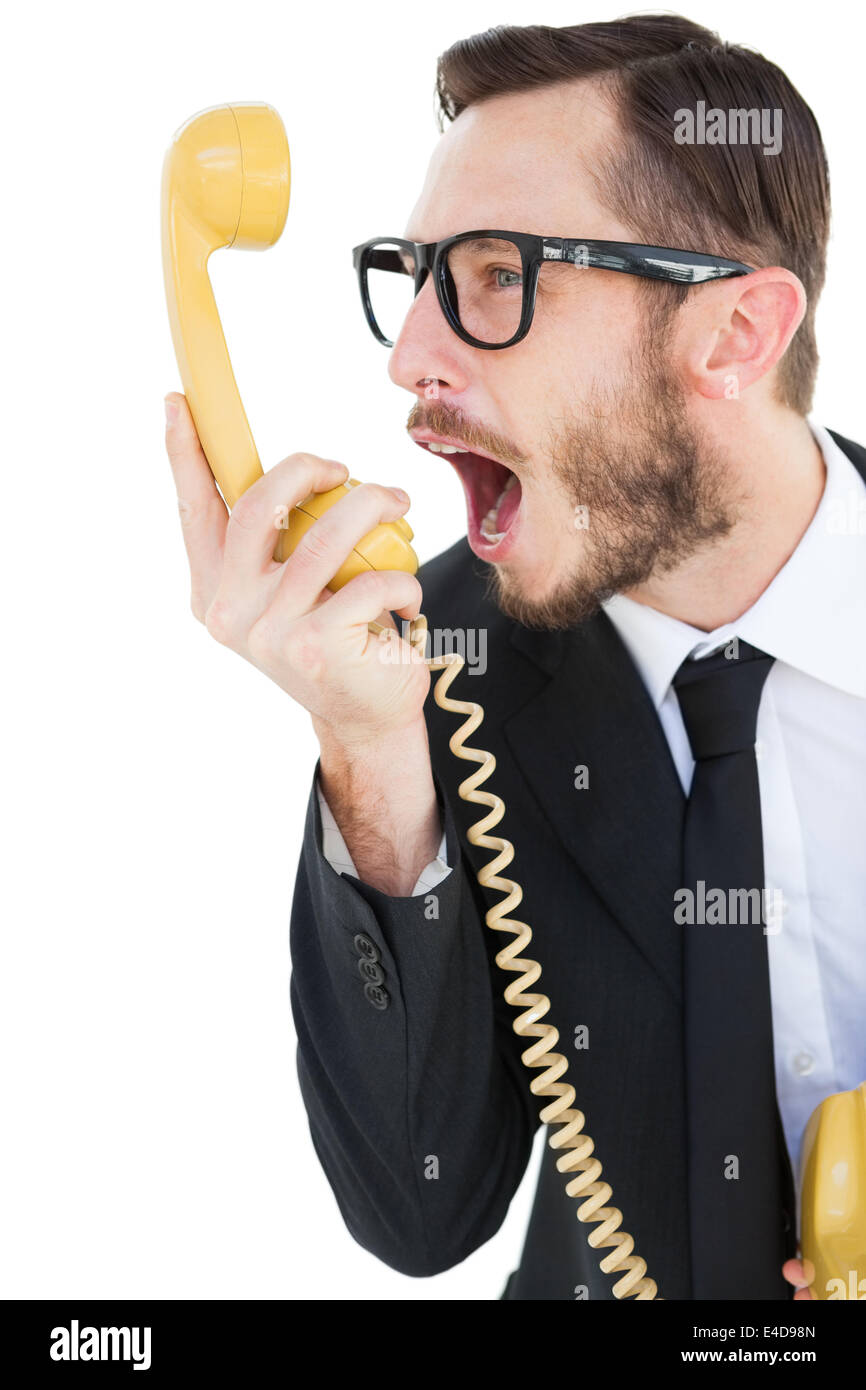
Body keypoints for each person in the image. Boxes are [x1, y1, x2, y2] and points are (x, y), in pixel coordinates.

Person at [163, 15, 865, 1300]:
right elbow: (418, 1214)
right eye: (416, 274)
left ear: (733, 335)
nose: (407, 359)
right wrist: (373, 755)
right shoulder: (430, 662)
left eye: (496, 275)